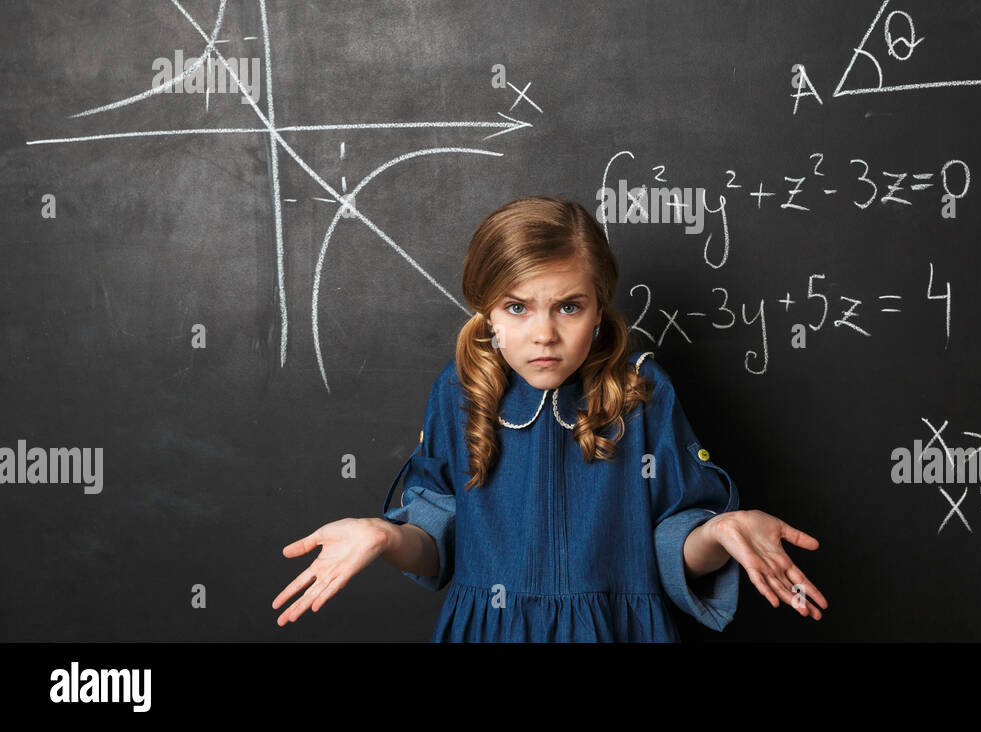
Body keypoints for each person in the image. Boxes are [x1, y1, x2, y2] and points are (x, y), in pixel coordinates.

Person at [273, 195, 827, 641]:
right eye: (518, 307)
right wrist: (384, 536)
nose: (545, 334)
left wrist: (719, 531)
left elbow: (673, 540)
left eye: (569, 306)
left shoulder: (641, 389)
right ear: (487, 312)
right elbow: (434, 540)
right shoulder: (460, 392)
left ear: (598, 306)